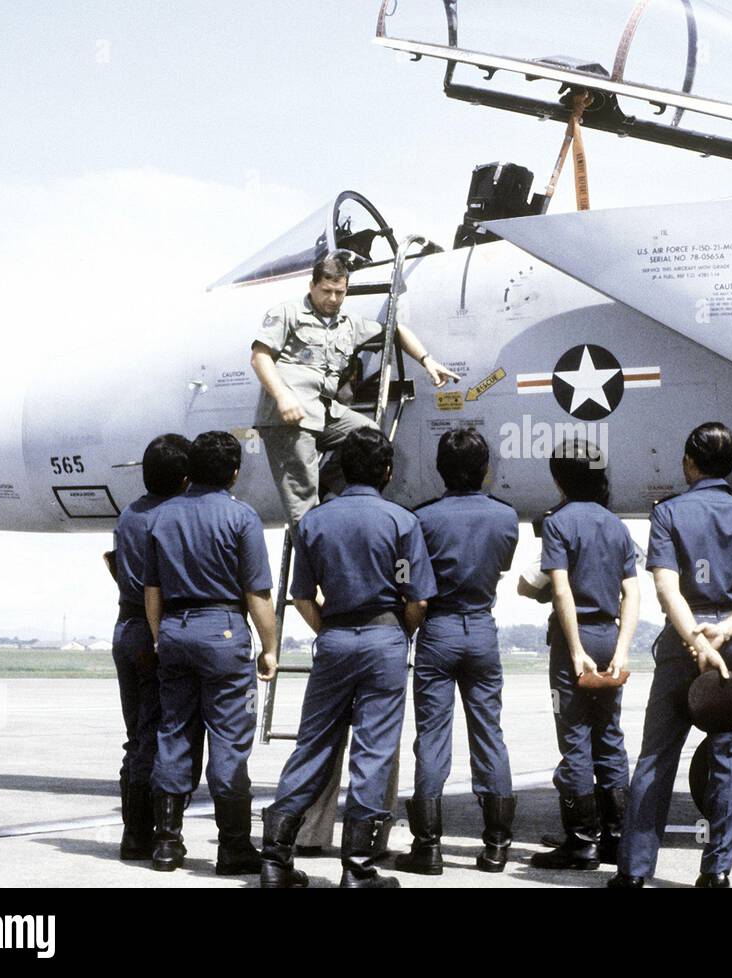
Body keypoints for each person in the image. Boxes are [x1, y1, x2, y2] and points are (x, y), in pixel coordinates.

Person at [259, 427, 436, 889]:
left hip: (334, 640)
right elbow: (417, 600)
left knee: (312, 745)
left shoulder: (314, 522)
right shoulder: (402, 522)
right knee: (373, 752)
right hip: (385, 641)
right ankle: (358, 869)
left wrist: (333, 631)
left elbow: (301, 598)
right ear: (387, 471)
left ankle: (275, 860)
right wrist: (397, 633)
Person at [610, 422, 732, 888]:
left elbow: (666, 587)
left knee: (656, 759)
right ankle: (716, 873)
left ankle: (633, 872)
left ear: (689, 462)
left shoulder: (667, 514)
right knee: (729, 761)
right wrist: (723, 633)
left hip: (682, 645)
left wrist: (696, 639)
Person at [143, 431, 278, 875]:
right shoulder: (241, 517)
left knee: (175, 731)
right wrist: (270, 647)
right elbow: (256, 592)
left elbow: (152, 589)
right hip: (222, 631)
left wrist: (161, 636)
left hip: (175, 630)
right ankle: (234, 845)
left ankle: (166, 843)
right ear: (234, 472)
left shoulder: (161, 517)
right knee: (228, 740)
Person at [250, 254, 461, 528]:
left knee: (369, 438)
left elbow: (395, 333)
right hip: (291, 415)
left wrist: (426, 360)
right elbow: (260, 356)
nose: (334, 299)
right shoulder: (287, 313)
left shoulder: (349, 324)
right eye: (327, 291)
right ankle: (312, 562)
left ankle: (325, 485)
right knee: (304, 511)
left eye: (340, 292)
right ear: (311, 286)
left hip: (324, 410)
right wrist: (282, 396)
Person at [396, 428, 520, 875]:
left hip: (438, 628)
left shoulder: (421, 519)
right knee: (489, 734)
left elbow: (415, 588)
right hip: (481, 628)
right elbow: (500, 567)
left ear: (440, 469)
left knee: (432, 739)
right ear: (486, 470)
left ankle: (427, 848)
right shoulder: (506, 517)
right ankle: (497, 846)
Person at [530, 440, 639, 872]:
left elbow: (560, 591)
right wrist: (622, 650)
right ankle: (616, 839)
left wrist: (574, 651)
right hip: (609, 636)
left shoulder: (558, 524)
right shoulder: (617, 526)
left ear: (558, 479)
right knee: (609, 736)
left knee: (574, 738)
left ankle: (580, 844)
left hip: (573, 642)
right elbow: (632, 592)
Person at [104, 433, 190, 861]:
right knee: (162, 733)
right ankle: (157, 833)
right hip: (156, 629)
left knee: (137, 734)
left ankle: (133, 834)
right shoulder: (175, 515)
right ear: (185, 478)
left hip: (127, 626)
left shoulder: (130, 515)